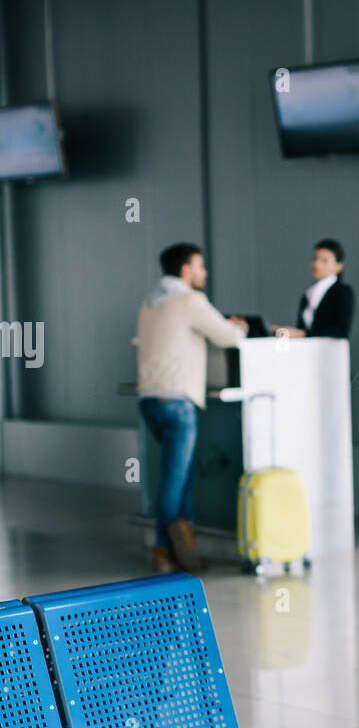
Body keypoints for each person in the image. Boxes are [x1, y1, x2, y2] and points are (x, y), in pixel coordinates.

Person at [136, 242, 248, 574]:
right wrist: (240, 326)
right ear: (185, 269)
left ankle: (182, 551)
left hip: (150, 400)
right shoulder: (188, 300)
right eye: (200, 266)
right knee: (174, 480)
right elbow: (228, 336)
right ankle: (162, 551)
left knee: (181, 477)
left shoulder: (150, 300)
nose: (204, 272)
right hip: (178, 402)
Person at [279, 238, 355, 340]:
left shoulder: (342, 292)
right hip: (309, 350)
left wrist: (302, 334)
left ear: (338, 266)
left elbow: (341, 330)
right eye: (315, 259)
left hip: (330, 352)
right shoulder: (308, 294)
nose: (317, 264)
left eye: (324, 261)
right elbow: (303, 327)